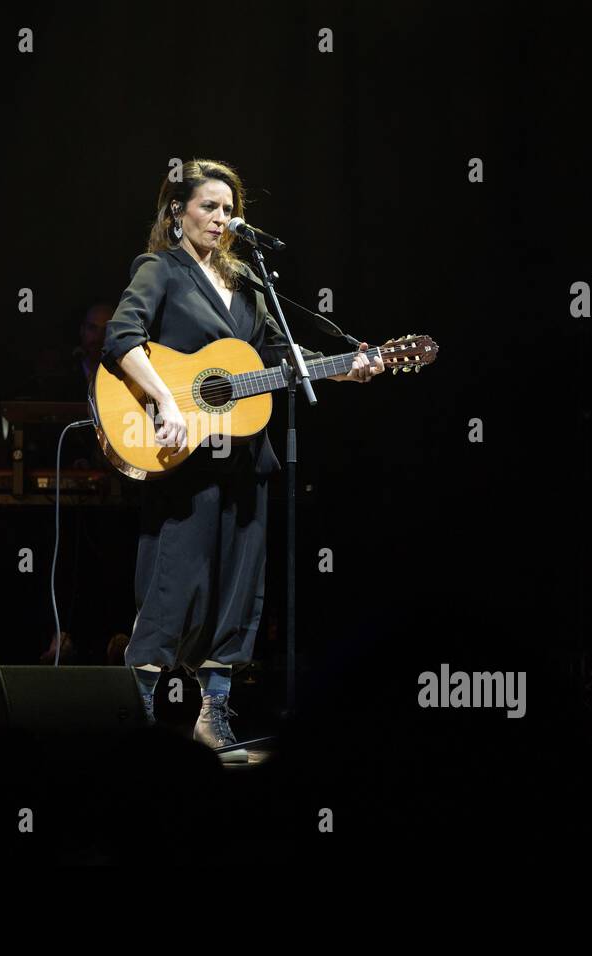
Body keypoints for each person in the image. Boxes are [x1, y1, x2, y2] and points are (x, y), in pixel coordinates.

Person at [99, 159, 385, 760]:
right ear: (177, 212)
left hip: (247, 459)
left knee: (238, 596)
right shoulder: (161, 269)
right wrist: (164, 402)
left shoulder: (250, 285)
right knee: (175, 587)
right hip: (183, 457)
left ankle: (213, 715)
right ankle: (144, 719)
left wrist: (347, 367)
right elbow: (121, 338)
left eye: (230, 210)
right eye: (209, 207)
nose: (221, 220)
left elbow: (282, 354)